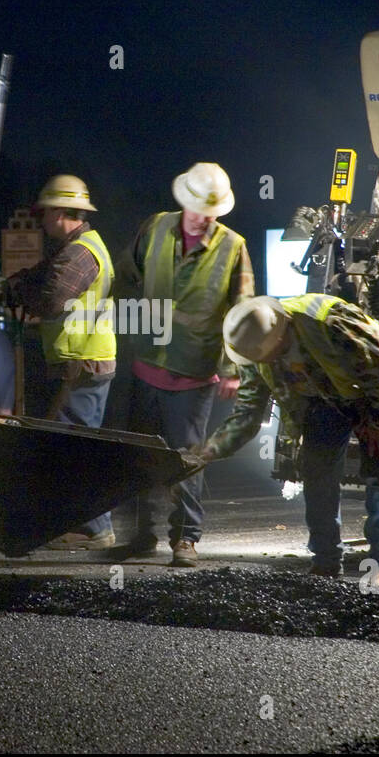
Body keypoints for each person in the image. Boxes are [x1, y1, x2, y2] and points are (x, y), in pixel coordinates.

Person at [195, 294, 379, 583]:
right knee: (317, 476)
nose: (270, 361)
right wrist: (209, 451)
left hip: (375, 395)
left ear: (282, 333)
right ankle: (326, 561)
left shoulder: (330, 323)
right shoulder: (252, 349)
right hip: (321, 402)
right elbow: (248, 412)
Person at [113, 162, 254, 567]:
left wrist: (232, 369)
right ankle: (140, 534)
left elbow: (241, 312)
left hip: (193, 372)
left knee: (186, 458)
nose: (201, 219)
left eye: (209, 212)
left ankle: (186, 538)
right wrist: (130, 324)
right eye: (196, 208)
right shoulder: (154, 227)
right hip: (146, 363)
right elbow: (124, 277)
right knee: (138, 454)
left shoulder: (233, 246)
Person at [4, 175, 118, 549]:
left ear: (61, 211)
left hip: (82, 361)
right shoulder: (72, 248)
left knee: (76, 447)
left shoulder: (79, 253)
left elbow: (51, 299)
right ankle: (87, 524)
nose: (40, 219)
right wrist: (20, 284)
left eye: (45, 211)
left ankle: (97, 529)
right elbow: (38, 277)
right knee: (74, 444)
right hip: (81, 359)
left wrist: (19, 290)